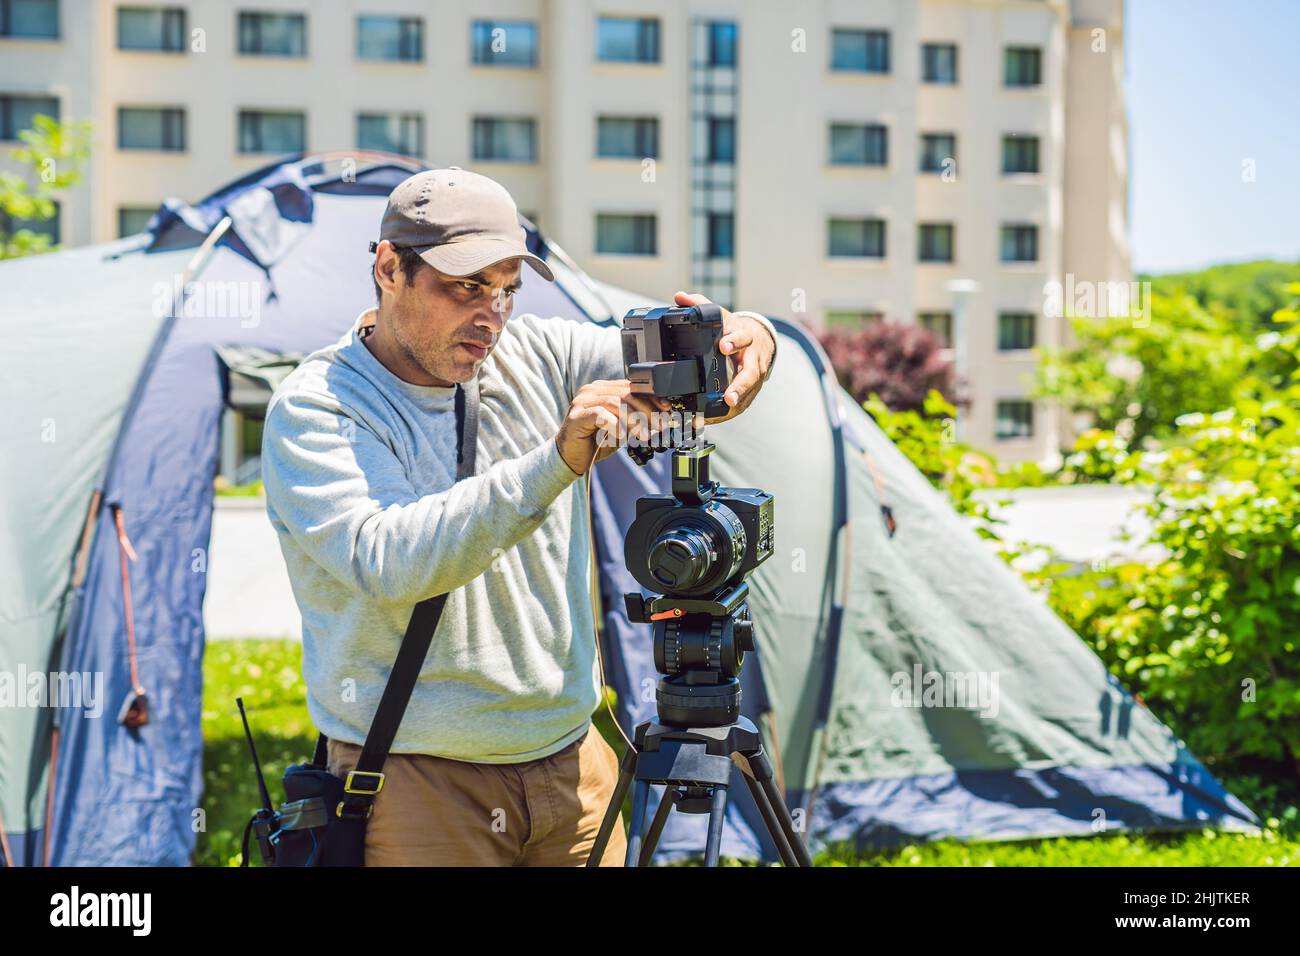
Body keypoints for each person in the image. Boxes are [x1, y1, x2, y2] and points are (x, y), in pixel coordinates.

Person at [260, 167, 777, 866]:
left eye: (507, 289)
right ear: (389, 268)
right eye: (467, 287)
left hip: (574, 765)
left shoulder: (537, 351)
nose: (491, 315)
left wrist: (749, 337)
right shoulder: (318, 406)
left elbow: (679, 362)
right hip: (417, 778)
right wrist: (556, 460)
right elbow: (391, 561)